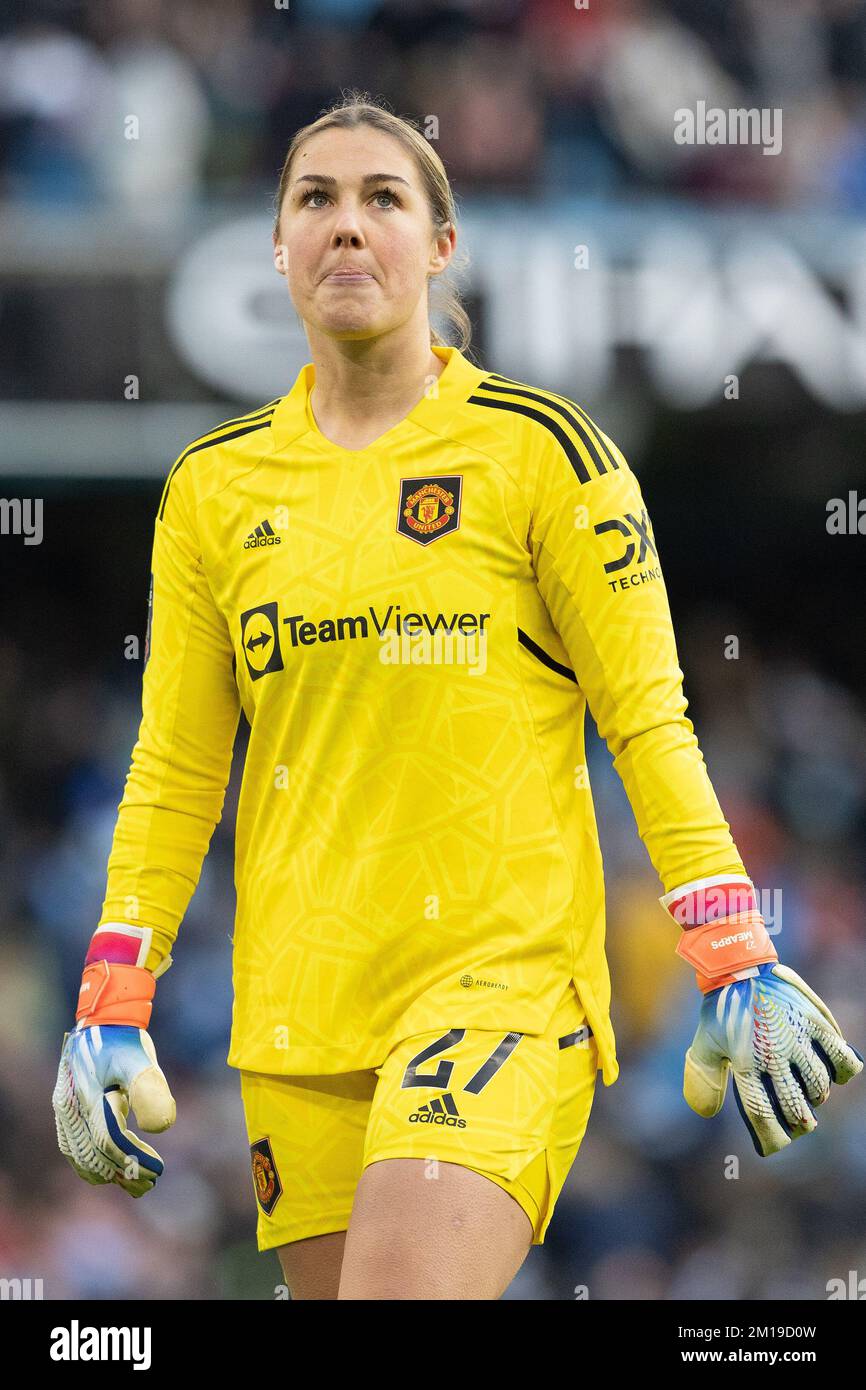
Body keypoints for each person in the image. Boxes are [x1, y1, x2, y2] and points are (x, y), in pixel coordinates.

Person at [53, 92, 862, 1302]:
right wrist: (111, 994)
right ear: (275, 245)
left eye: (383, 198)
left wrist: (729, 943)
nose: (345, 225)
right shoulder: (212, 492)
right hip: (300, 1021)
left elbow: (646, 715)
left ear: (438, 247)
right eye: (313, 199)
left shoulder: (544, 453)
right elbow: (175, 769)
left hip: (499, 987)